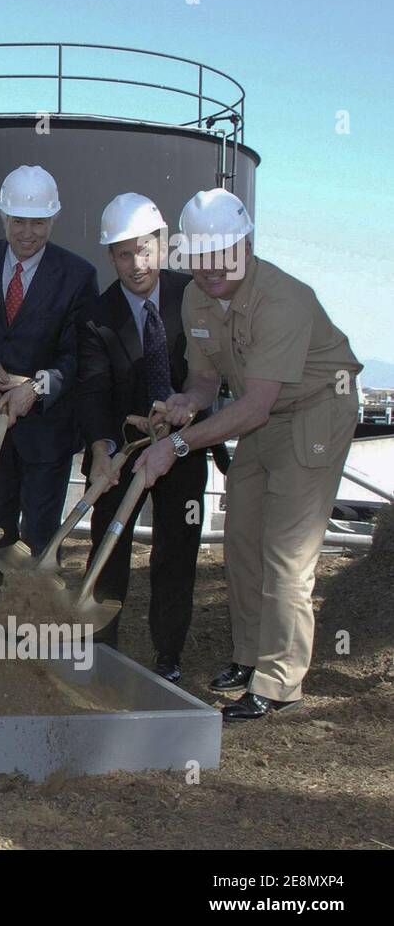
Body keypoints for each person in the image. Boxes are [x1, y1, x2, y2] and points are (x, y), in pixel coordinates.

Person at [134, 188, 362, 721]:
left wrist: (179, 444)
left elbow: (255, 405)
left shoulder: (284, 299)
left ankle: (280, 681)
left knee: (286, 550)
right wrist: (186, 403)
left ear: (246, 245)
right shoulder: (195, 296)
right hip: (261, 415)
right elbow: (209, 377)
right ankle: (248, 655)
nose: (211, 267)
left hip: (315, 411)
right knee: (241, 539)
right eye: (199, 255)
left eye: (223, 254)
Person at [76, 193, 205, 681]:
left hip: (184, 449)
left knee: (176, 555)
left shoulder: (192, 296)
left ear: (163, 244)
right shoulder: (96, 315)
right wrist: (102, 451)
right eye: (124, 254)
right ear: (111, 257)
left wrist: (184, 412)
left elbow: (210, 375)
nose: (137, 264)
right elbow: (92, 391)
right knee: (108, 552)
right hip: (119, 454)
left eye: (145, 250)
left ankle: (168, 658)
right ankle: (101, 652)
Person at [0, 165, 99, 614]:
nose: (27, 232)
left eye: (37, 222)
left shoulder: (77, 275)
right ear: (3, 217)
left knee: (40, 532)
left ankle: (32, 619)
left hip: (46, 431)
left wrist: (37, 388)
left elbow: (76, 355)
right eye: (18, 221)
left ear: (53, 220)